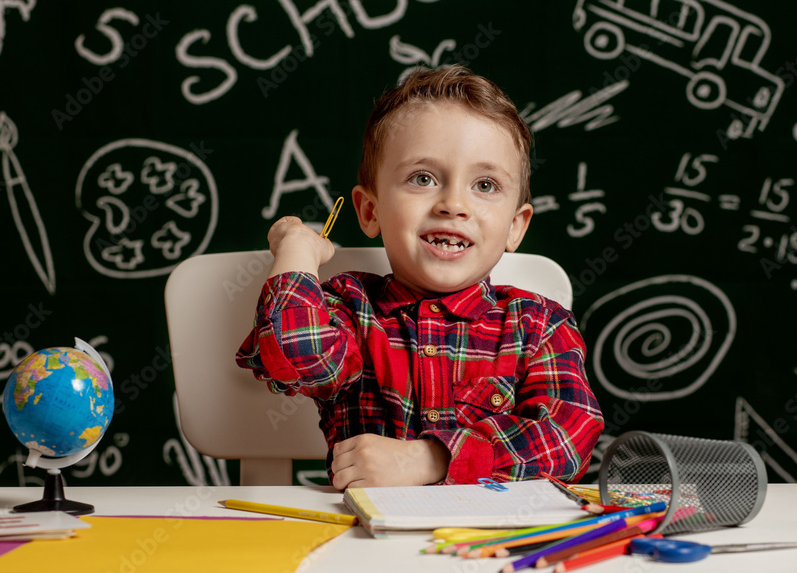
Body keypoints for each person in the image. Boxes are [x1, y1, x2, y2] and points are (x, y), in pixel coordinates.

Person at [237, 66, 603, 489]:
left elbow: (569, 438)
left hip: (490, 542)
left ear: (516, 226)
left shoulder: (539, 324)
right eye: (423, 179)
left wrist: (433, 459)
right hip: (361, 540)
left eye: (484, 185)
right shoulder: (349, 307)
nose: (453, 204)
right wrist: (297, 249)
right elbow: (294, 357)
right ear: (370, 212)